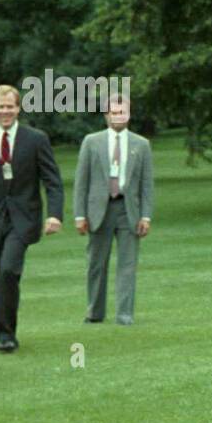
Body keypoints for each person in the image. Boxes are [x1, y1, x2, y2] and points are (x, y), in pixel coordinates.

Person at [0, 85, 64, 352]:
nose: (5, 111)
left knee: (9, 271)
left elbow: (52, 181)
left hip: (24, 220)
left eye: (10, 106)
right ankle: (6, 331)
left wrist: (55, 215)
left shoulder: (36, 139)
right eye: (1, 107)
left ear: (18, 108)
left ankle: (4, 336)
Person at [74, 94, 154, 324]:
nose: (118, 116)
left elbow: (147, 184)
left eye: (123, 111)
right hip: (98, 210)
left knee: (128, 264)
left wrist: (146, 216)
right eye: (114, 112)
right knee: (96, 264)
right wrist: (80, 215)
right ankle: (94, 312)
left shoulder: (141, 144)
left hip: (129, 210)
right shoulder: (91, 142)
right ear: (106, 115)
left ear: (129, 114)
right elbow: (82, 182)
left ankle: (124, 314)